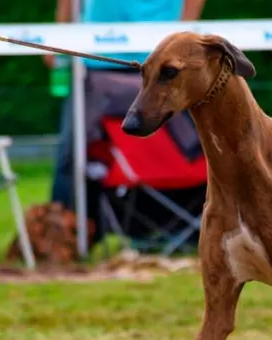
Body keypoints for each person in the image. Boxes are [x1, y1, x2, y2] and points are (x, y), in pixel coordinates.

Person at [47, 0, 206, 211]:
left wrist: (182, 39)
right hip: (96, 64)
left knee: (196, 149)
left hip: (158, 66)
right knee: (74, 153)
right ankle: (61, 226)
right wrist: (60, 35)